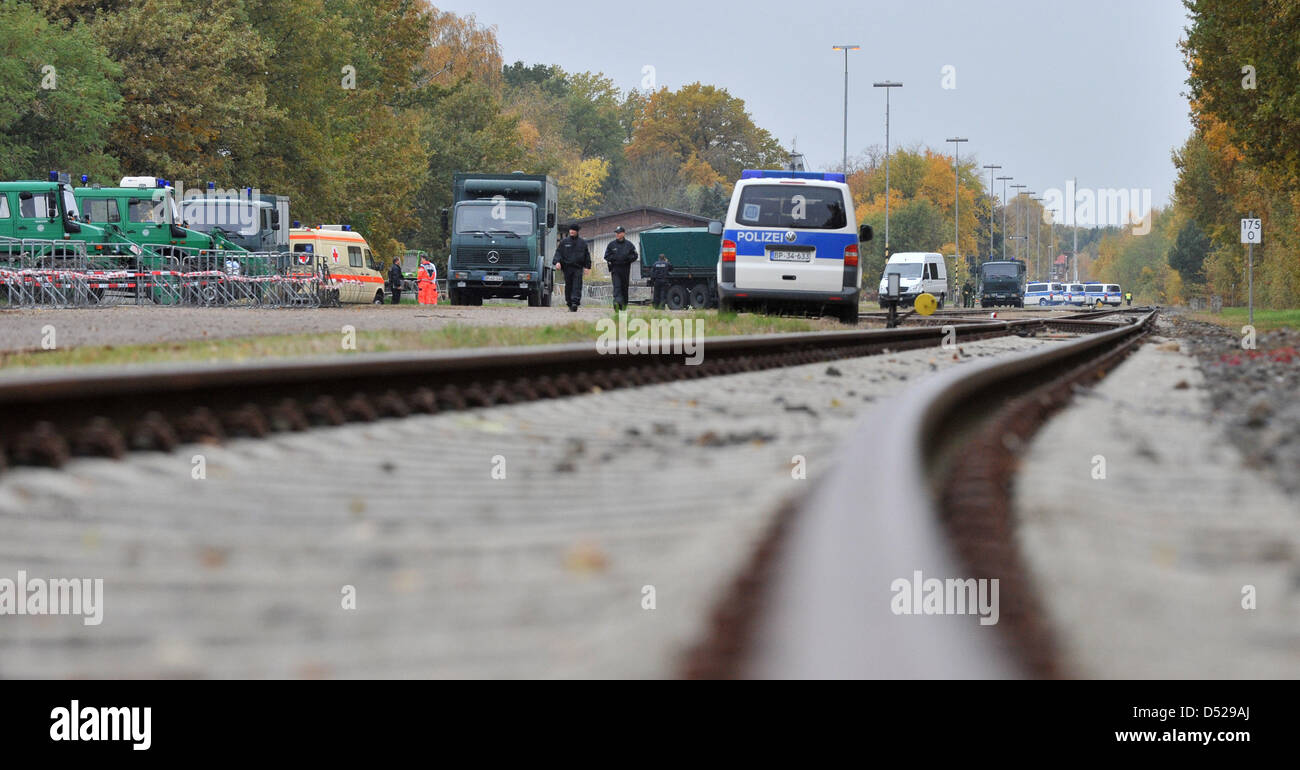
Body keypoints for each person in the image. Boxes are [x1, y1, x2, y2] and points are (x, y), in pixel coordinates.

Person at [553, 224, 591, 311]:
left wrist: (587, 267)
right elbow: (558, 253)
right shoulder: (564, 242)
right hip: (567, 268)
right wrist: (557, 262)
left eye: (573, 230)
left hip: (578, 268)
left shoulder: (582, 243)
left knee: (577, 285)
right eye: (570, 230)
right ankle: (569, 302)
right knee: (569, 285)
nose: (571, 231)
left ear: (577, 231)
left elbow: (587, 255)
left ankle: (575, 302)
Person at [604, 225, 638, 310]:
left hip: (625, 269)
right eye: (616, 233)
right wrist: (615, 259)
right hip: (615, 269)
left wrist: (627, 259)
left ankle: (623, 305)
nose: (617, 234)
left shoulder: (629, 245)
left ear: (623, 233)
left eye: (619, 233)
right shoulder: (611, 245)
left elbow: (635, 255)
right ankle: (617, 302)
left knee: (624, 287)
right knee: (617, 286)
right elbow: (606, 256)